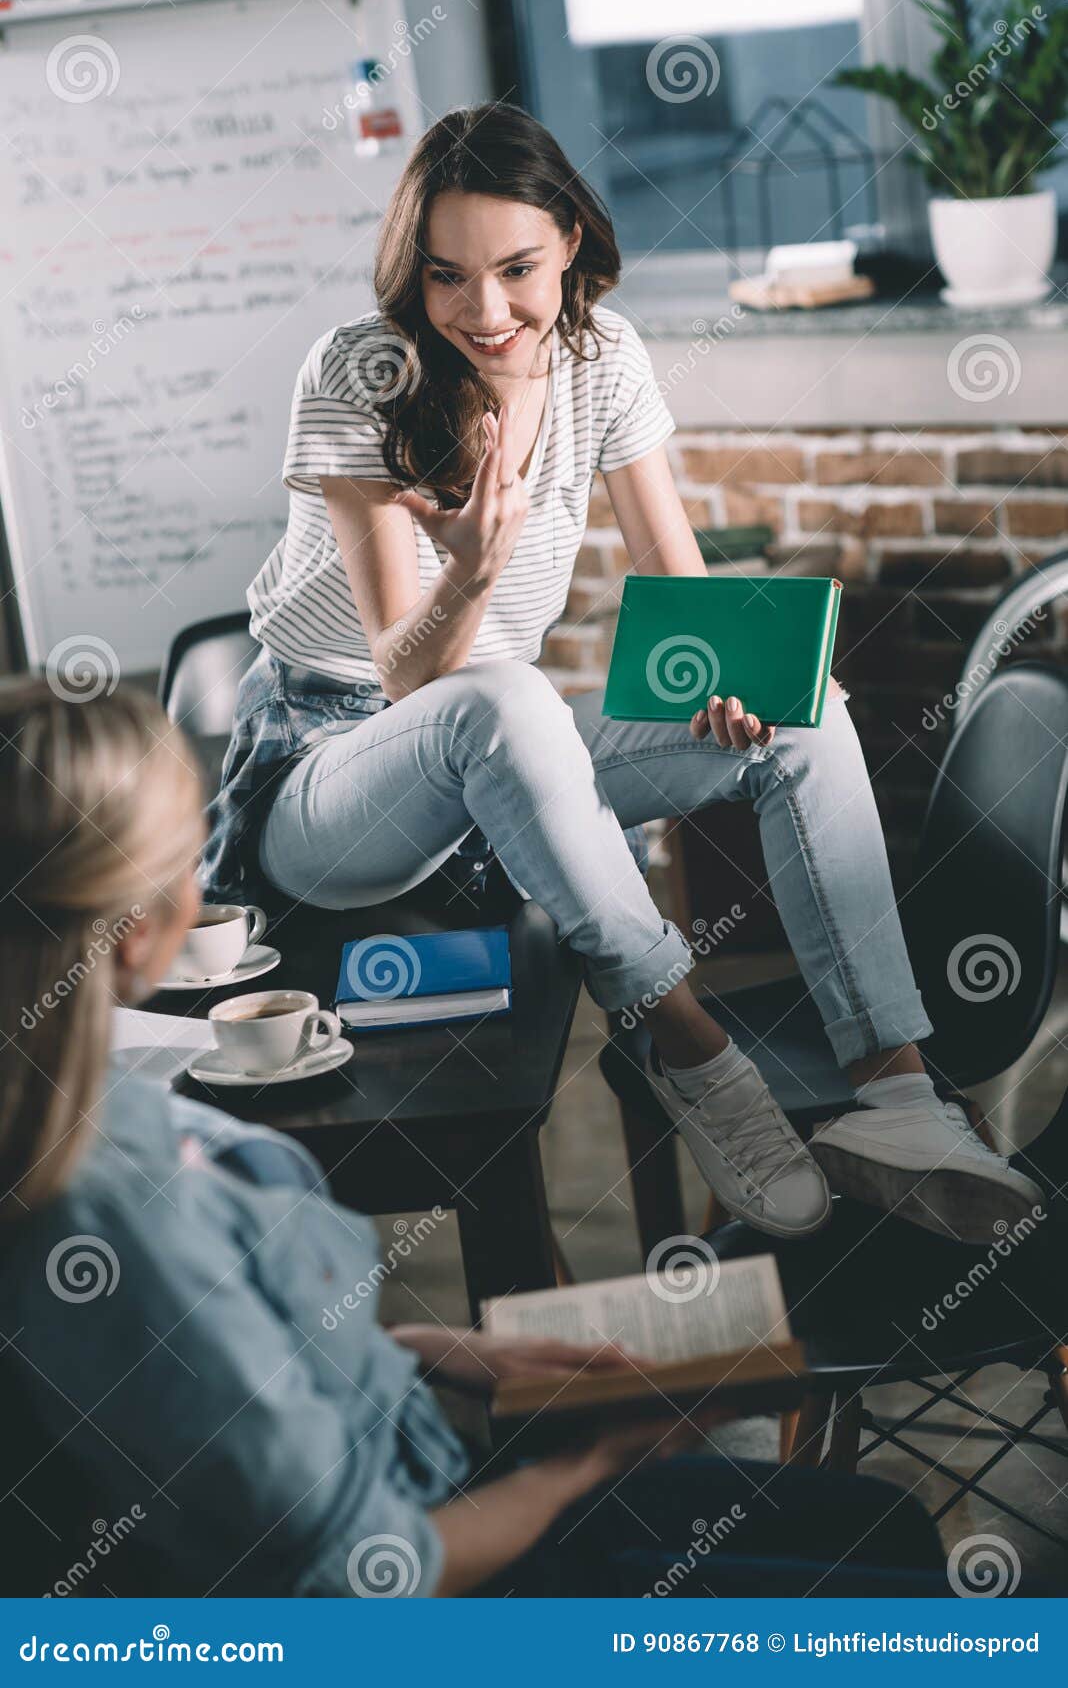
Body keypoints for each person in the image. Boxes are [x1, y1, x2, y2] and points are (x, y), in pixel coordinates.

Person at [199, 102, 1041, 1247]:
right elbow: (414, 677)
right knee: (501, 695)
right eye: (447, 275)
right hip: (335, 772)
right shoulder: (364, 371)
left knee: (802, 716)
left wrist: (738, 682)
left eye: (517, 269)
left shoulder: (606, 358)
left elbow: (681, 593)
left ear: (574, 247)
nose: (483, 311)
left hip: (508, 753)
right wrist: (476, 569)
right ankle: (688, 1050)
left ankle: (897, 1099)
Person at [0, 680, 948, 1598]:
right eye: (185, 852)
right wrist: (585, 1463)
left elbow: (211, 1398)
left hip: (415, 1453)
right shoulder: (114, 1200)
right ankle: (700, 1048)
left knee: (888, 1530)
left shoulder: (84, 1111)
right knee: (893, 1578)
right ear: (137, 930)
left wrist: (433, 1351)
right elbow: (360, 1579)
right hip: (448, 1575)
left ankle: (871, 1094)